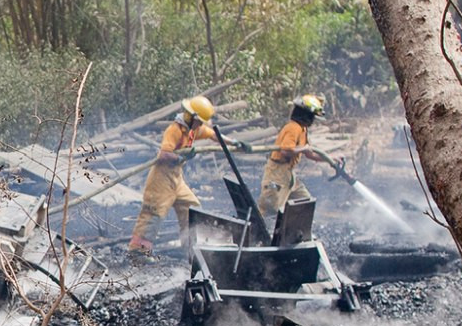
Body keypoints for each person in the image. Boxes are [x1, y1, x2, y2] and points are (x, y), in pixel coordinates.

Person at [126, 95, 245, 260]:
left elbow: (213, 135)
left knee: (192, 208)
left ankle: (191, 247)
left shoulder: (193, 129)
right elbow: (164, 155)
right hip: (161, 179)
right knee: (154, 213)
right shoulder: (174, 130)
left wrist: (233, 142)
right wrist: (183, 157)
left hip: (176, 179)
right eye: (200, 121)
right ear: (193, 117)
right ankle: (138, 252)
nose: (202, 125)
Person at [257, 93, 341, 220]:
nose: (313, 120)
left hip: (288, 173)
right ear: (306, 115)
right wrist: (304, 148)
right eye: (312, 116)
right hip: (277, 173)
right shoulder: (293, 128)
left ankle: (296, 233)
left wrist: (329, 158)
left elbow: (309, 153)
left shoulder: (302, 129)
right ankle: (263, 236)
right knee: (271, 209)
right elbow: (286, 150)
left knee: (304, 201)